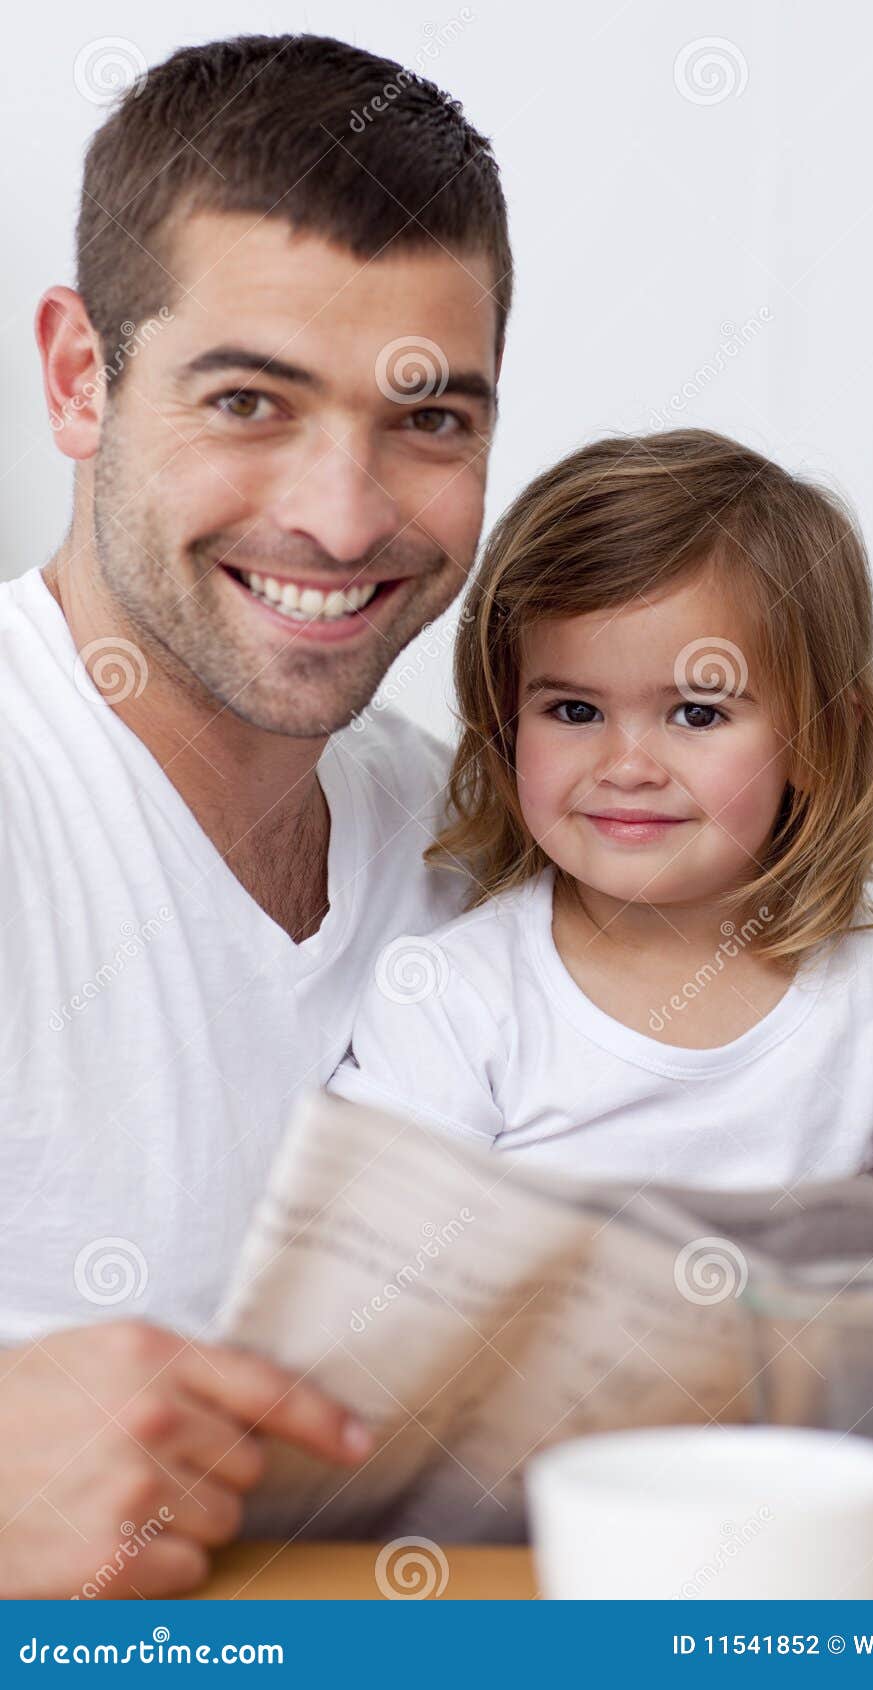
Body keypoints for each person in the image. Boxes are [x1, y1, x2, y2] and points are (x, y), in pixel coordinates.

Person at [330, 427, 873, 1552]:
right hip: (527, 1552)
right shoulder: (451, 997)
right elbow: (371, 1340)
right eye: (573, 708)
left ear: (816, 742)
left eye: (697, 712)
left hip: (811, 1552)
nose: (627, 762)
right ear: (506, 725)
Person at [0, 33, 509, 1596]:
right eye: (249, 400)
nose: (342, 517)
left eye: (427, 420)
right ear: (83, 375)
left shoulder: (478, 845)